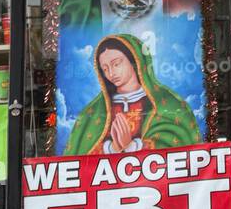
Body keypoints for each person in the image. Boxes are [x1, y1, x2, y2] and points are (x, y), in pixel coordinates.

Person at [64, 34, 200, 155]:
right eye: (105, 69)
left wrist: (132, 147)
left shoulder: (168, 103)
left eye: (116, 64)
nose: (111, 73)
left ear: (134, 61)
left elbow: (180, 146)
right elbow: (79, 158)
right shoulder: (93, 111)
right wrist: (111, 148)